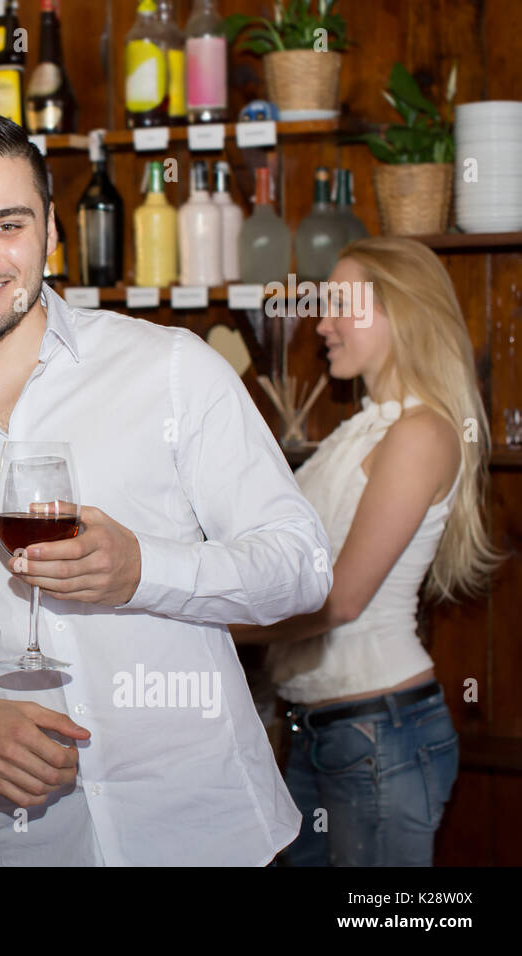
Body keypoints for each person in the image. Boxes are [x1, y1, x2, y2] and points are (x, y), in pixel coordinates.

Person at [0, 111, 333, 866]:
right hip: (27, 844)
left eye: (8, 224)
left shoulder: (171, 370)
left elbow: (302, 569)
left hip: (212, 835)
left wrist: (144, 570)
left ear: (52, 233)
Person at [231, 238, 502, 866]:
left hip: (379, 731)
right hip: (325, 730)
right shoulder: (363, 429)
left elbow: (343, 600)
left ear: (399, 311)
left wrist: (212, 626)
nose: (321, 325)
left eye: (338, 307)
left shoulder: (421, 432)